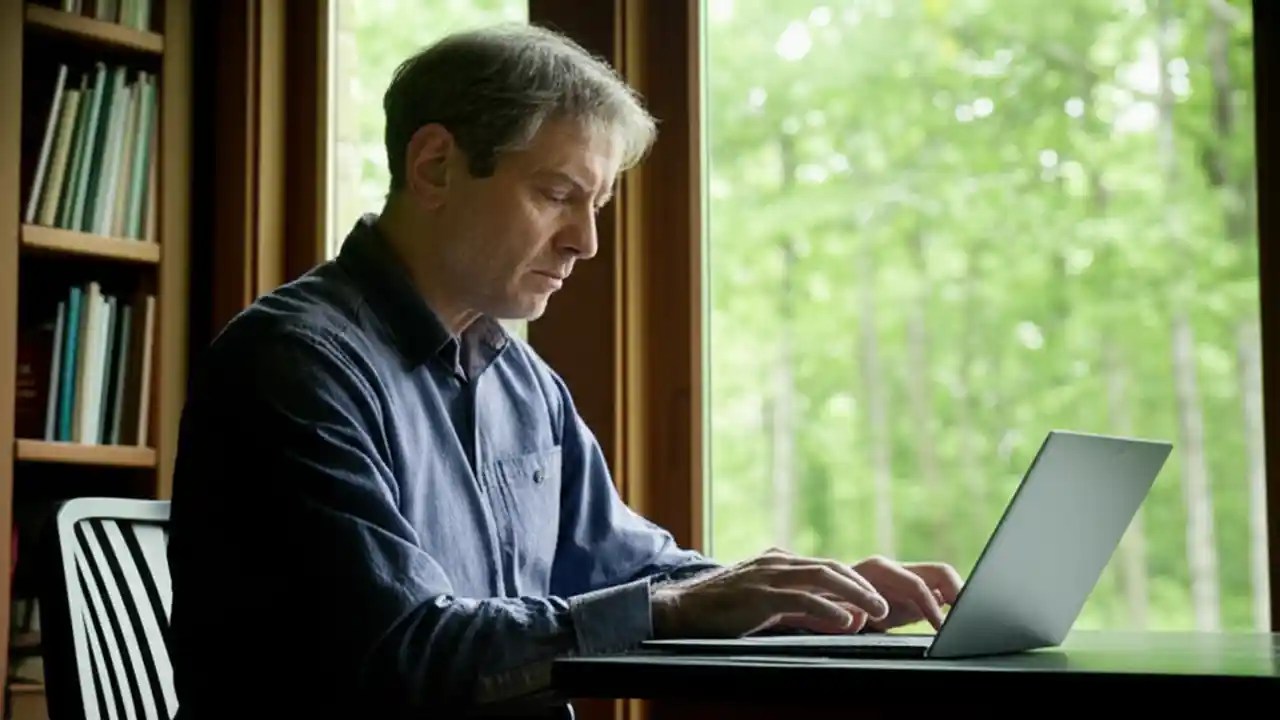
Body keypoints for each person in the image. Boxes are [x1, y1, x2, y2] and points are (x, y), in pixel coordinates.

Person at [166, 22, 963, 719]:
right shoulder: (292, 366)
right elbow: (400, 657)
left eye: (597, 207)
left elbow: (639, 574)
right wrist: (683, 607)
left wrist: (809, 598)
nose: (585, 242)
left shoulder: (523, 384)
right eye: (557, 194)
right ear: (436, 166)